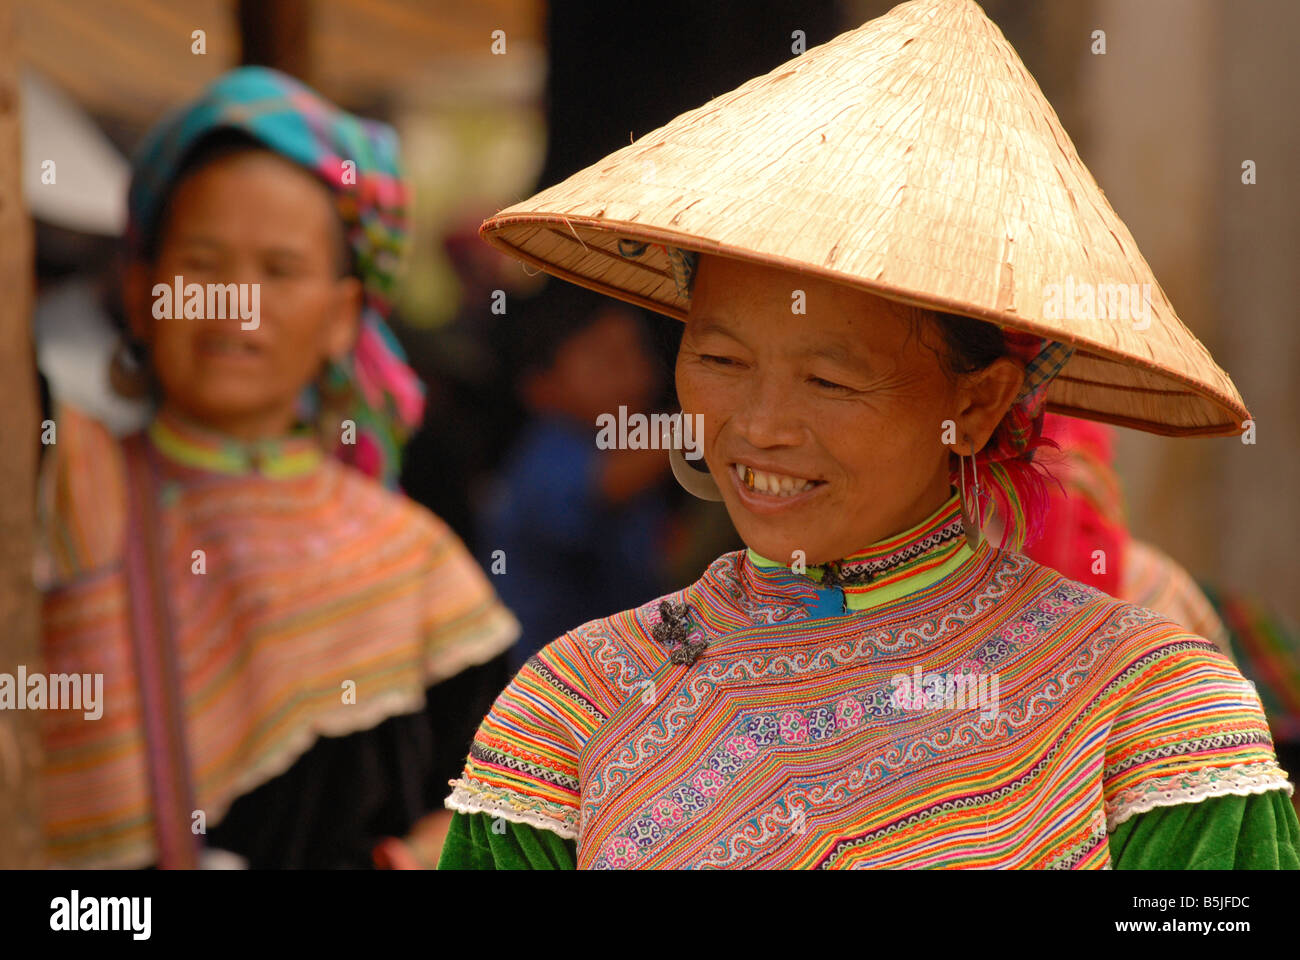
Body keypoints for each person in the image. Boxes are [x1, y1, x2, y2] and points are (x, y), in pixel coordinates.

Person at [436, 0, 1298, 869]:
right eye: (723, 361)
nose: (760, 427)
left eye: (829, 379)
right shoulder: (573, 708)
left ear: (983, 400)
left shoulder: (1152, 715)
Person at [36, 67, 519, 869]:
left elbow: (501, 814)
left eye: (279, 270)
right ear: (141, 289)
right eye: (203, 262)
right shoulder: (60, 490)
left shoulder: (416, 571)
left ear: (340, 318)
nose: (235, 301)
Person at [479, 281, 673, 670]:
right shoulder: (546, 455)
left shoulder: (619, 448)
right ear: (542, 388)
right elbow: (607, 485)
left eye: (640, 355)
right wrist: (711, 424)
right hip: (552, 694)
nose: (639, 378)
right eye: (609, 362)